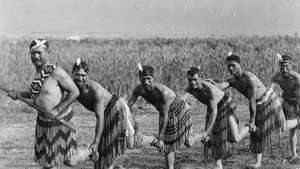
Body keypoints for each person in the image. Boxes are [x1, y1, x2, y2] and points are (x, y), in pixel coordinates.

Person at [7, 39, 90, 169]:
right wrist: (18, 95)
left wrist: (57, 110)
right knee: (47, 163)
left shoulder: (57, 72)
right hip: (43, 122)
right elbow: (35, 93)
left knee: (70, 161)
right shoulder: (35, 74)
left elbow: (74, 92)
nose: (36, 56)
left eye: (39, 53)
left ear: (48, 53)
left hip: (61, 120)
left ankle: (88, 151)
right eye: (33, 53)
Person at [71, 59, 154, 169]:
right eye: (78, 75)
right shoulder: (70, 86)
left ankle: (153, 139)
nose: (81, 78)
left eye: (84, 75)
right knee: (104, 146)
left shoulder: (95, 91)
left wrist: (95, 142)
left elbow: (99, 118)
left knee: (129, 141)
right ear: (72, 74)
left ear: (87, 75)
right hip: (106, 112)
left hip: (118, 108)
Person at [209, 54, 286, 169]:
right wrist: (212, 83)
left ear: (240, 65)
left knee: (280, 127)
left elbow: (252, 101)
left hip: (268, 101)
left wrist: (251, 121)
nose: (231, 69)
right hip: (259, 105)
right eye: (229, 66)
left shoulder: (250, 78)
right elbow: (222, 85)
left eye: (233, 65)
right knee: (257, 133)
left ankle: (294, 122)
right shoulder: (232, 80)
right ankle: (258, 163)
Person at [127, 64, 202, 169]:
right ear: (140, 78)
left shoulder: (163, 92)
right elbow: (128, 105)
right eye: (143, 79)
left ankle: (205, 135)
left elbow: (164, 115)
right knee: (168, 145)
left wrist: (160, 137)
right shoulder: (139, 89)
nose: (146, 82)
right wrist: (136, 126)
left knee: (188, 142)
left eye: (149, 79)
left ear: (154, 79)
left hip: (179, 110)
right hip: (166, 112)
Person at [182, 66, 256, 169]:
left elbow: (214, 112)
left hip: (225, 104)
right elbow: (181, 102)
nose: (193, 82)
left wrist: (207, 131)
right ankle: (218, 166)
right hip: (212, 106)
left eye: (195, 79)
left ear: (200, 78)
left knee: (236, 137)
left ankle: (250, 127)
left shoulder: (209, 89)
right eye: (190, 80)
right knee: (216, 135)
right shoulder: (189, 87)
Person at [269, 54, 300, 163]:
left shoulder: (296, 78)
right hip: (285, 101)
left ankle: (294, 155)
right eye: (282, 66)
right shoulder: (276, 76)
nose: (284, 69)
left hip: (297, 104)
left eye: (287, 66)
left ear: (291, 65)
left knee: (289, 129)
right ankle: (294, 155)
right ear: (279, 66)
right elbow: (270, 90)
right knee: (289, 130)